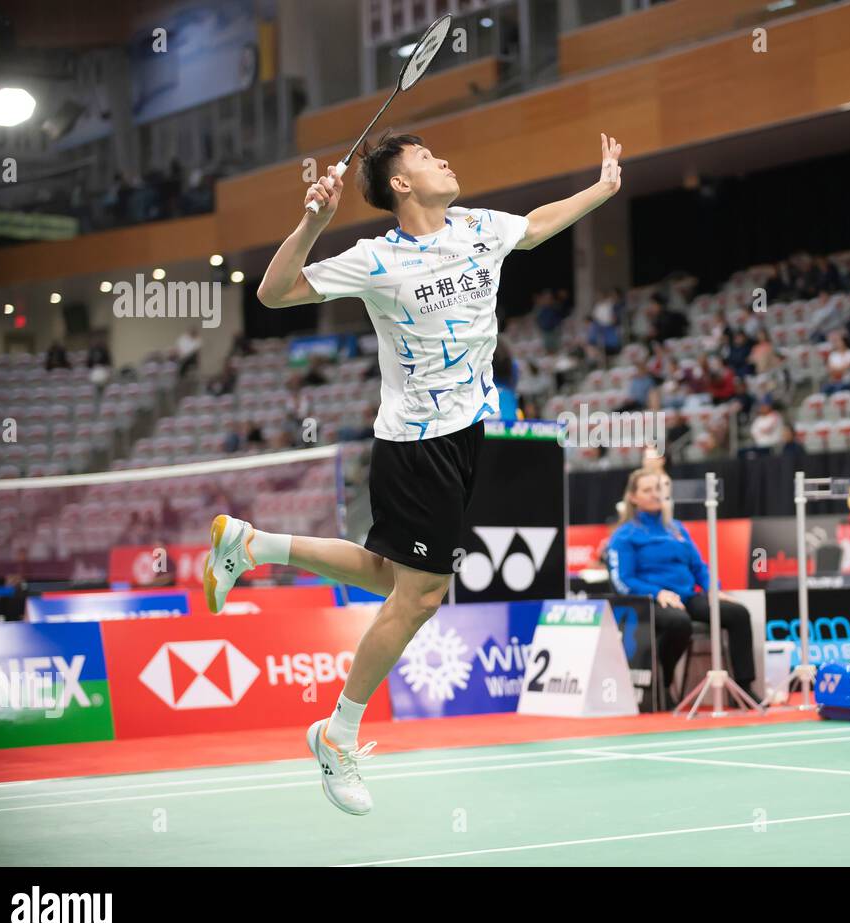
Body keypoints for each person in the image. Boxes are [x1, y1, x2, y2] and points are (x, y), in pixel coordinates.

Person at [205, 129, 624, 815]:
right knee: (423, 597)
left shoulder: (479, 229)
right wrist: (313, 222)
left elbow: (538, 228)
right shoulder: (376, 259)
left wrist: (602, 189)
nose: (444, 160)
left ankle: (252, 546)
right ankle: (336, 734)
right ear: (401, 184)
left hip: (466, 435)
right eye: (428, 158)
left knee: (390, 577)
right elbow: (276, 291)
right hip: (416, 443)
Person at [606, 469, 759, 707]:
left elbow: (699, 566)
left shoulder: (676, 528)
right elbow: (623, 581)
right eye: (647, 490)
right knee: (679, 622)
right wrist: (657, 593)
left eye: (658, 489)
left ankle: (744, 688)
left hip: (687, 596)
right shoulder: (624, 535)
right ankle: (663, 684)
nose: (655, 494)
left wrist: (712, 588)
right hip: (650, 601)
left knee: (737, 613)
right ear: (633, 497)